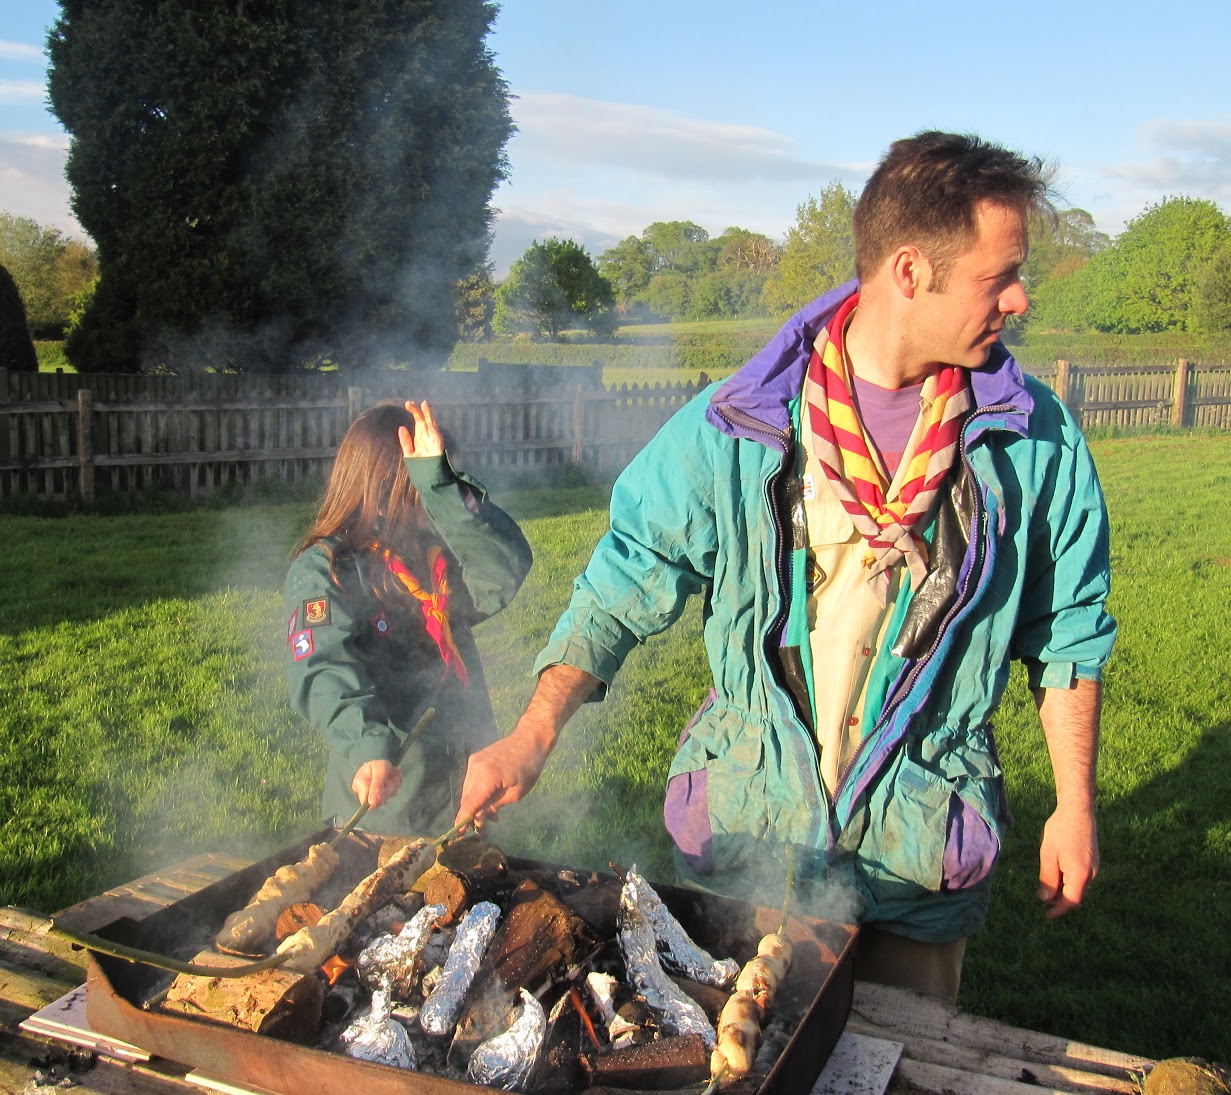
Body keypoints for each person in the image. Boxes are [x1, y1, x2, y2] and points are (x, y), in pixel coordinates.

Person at [456, 132, 1117, 1001]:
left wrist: (1074, 803)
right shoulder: (738, 423)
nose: (1021, 299)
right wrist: (532, 733)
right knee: (744, 1077)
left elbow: (1068, 630)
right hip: (752, 847)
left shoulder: (1034, 442)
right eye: (1000, 278)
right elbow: (627, 575)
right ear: (910, 271)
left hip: (915, 859)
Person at [285, 399, 532, 835]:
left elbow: (503, 571)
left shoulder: (434, 555)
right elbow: (322, 666)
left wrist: (440, 485)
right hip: (387, 795)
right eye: (418, 488)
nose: (432, 508)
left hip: (463, 782)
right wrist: (368, 746)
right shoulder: (331, 568)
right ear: (381, 492)